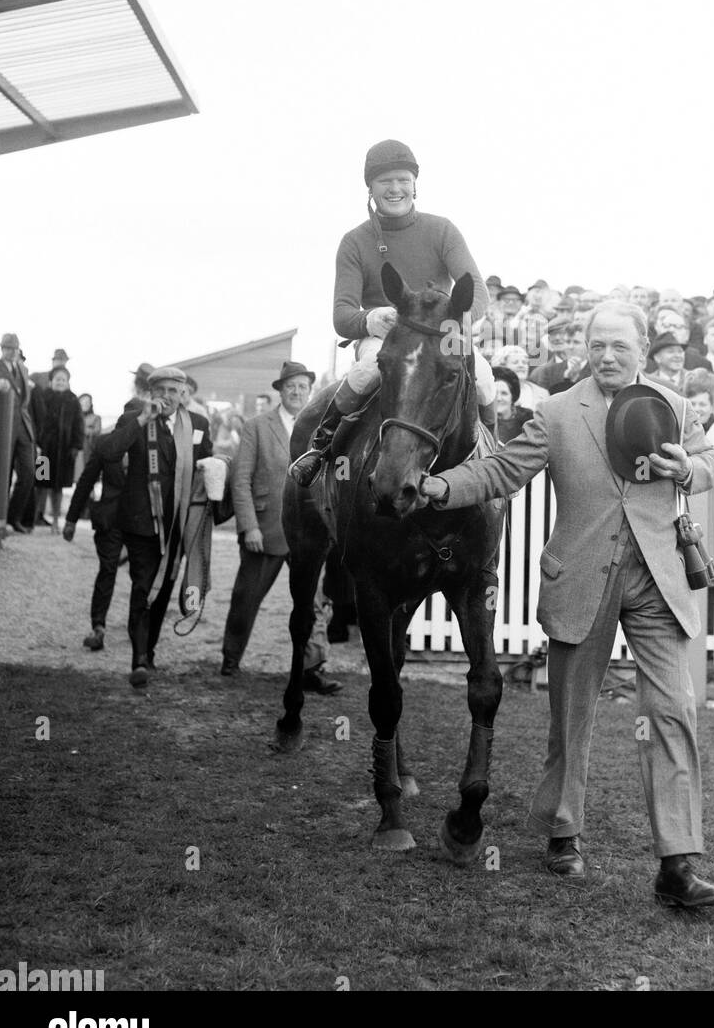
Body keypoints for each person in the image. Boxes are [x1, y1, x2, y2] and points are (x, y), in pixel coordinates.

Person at [420, 299, 714, 909]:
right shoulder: (558, 412)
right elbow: (505, 469)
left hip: (657, 580)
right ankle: (564, 832)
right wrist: (440, 486)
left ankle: (677, 863)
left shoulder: (674, 405)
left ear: (642, 348)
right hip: (582, 577)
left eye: (619, 345)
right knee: (571, 714)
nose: (607, 356)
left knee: (672, 712)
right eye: (597, 346)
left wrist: (688, 467)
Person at [290, 140, 496, 486]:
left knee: (486, 380)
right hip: (383, 338)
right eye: (385, 181)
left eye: (403, 180)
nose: (395, 188)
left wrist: (450, 325)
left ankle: (494, 458)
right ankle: (322, 448)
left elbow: (478, 292)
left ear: (415, 185)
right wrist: (368, 319)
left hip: (438, 335)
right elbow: (342, 315)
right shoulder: (354, 241)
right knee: (366, 371)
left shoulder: (442, 229)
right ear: (370, 188)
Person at [220, 362, 342, 692]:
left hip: (311, 532)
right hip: (268, 529)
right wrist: (249, 527)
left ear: (309, 390)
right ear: (280, 390)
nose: (297, 391)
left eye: (303, 386)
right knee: (246, 597)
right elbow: (241, 480)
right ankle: (231, 658)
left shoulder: (323, 427)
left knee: (314, 603)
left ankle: (313, 668)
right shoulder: (257, 426)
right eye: (291, 386)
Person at [99, 366, 217, 685]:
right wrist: (141, 421)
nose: (167, 396)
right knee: (143, 586)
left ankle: (148, 652)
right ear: (151, 393)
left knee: (164, 586)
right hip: (141, 522)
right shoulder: (136, 418)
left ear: (184, 394)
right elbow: (107, 452)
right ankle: (138, 658)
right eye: (161, 390)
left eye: (173, 390)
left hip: (178, 521)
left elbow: (207, 465)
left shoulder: (198, 425)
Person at [62, 425, 131, 651]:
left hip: (139, 522)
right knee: (108, 568)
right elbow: (86, 481)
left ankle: (139, 630)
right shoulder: (105, 444)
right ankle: (98, 626)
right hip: (109, 520)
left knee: (142, 576)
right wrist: (71, 519)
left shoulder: (154, 443)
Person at [33, 365, 84, 532]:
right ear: (51, 381)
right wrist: (37, 442)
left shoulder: (73, 400)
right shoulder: (44, 396)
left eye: (63, 379)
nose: (60, 382)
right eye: (57, 379)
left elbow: (79, 425)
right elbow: (36, 420)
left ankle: (55, 521)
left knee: (58, 487)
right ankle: (35, 518)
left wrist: (76, 446)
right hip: (44, 450)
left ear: (68, 382)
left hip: (64, 452)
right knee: (40, 484)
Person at [0, 332, 38, 534]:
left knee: (30, 473)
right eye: (7, 347)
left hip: (23, 428)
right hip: (3, 429)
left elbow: (26, 402)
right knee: (2, 476)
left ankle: (14, 517)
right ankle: (1, 521)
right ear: (1, 348)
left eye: (14, 348)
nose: (11, 351)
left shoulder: (23, 369)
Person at [491, 365, 533, 444]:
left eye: (504, 393)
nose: (499, 398)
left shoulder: (528, 419)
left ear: (512, 396)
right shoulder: (483, 422)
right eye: (494, 393)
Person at [76, 393, 102, 469]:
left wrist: (83, 429)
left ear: (91, 404)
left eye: (88, 402)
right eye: (83, 401)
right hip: (75, 451)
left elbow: (97, 433)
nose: (85, 404)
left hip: (88, 450)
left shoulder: (96, 418)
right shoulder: (74, 418)